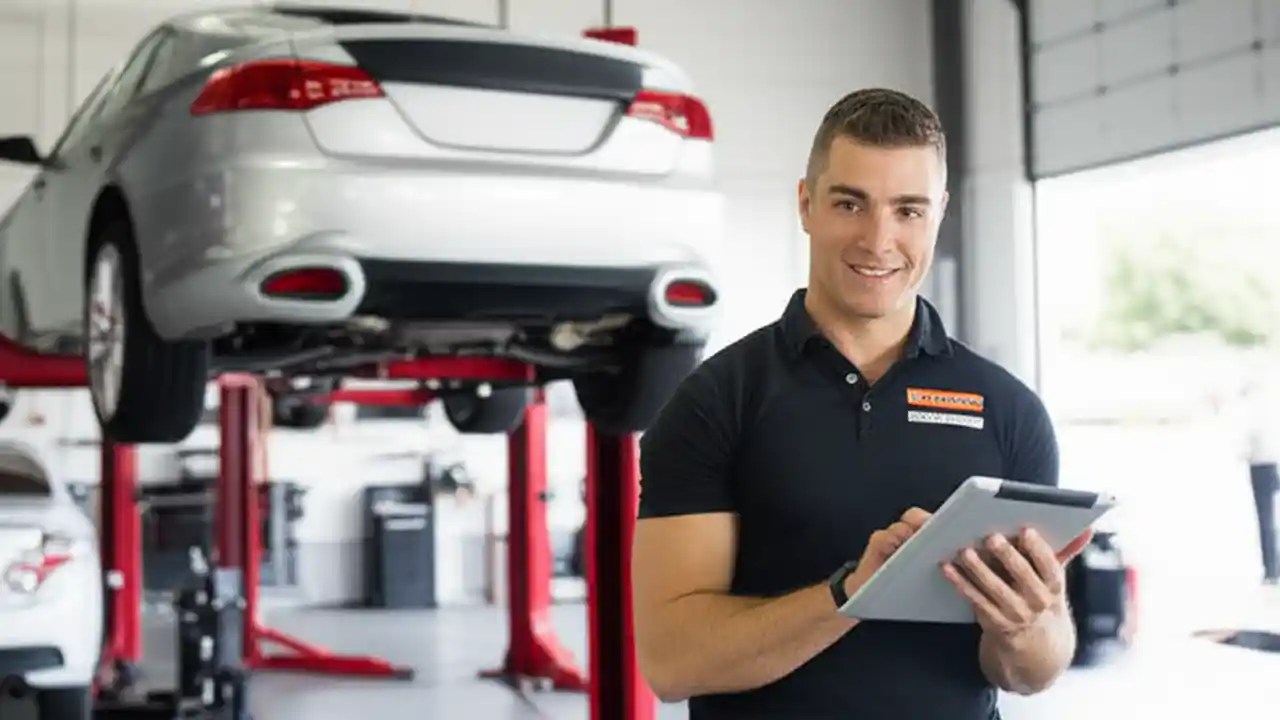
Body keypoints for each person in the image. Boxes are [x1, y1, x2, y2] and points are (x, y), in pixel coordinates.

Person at [630, 88, 1093, 719]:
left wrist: (1025, 629)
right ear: (806, 204)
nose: (879, 240)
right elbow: (673, 661)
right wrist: (852, 592)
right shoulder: (715, 403)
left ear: (939, 215)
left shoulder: (1008, 412)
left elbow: (1031, 672)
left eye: (908, 210)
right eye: (851, 203)